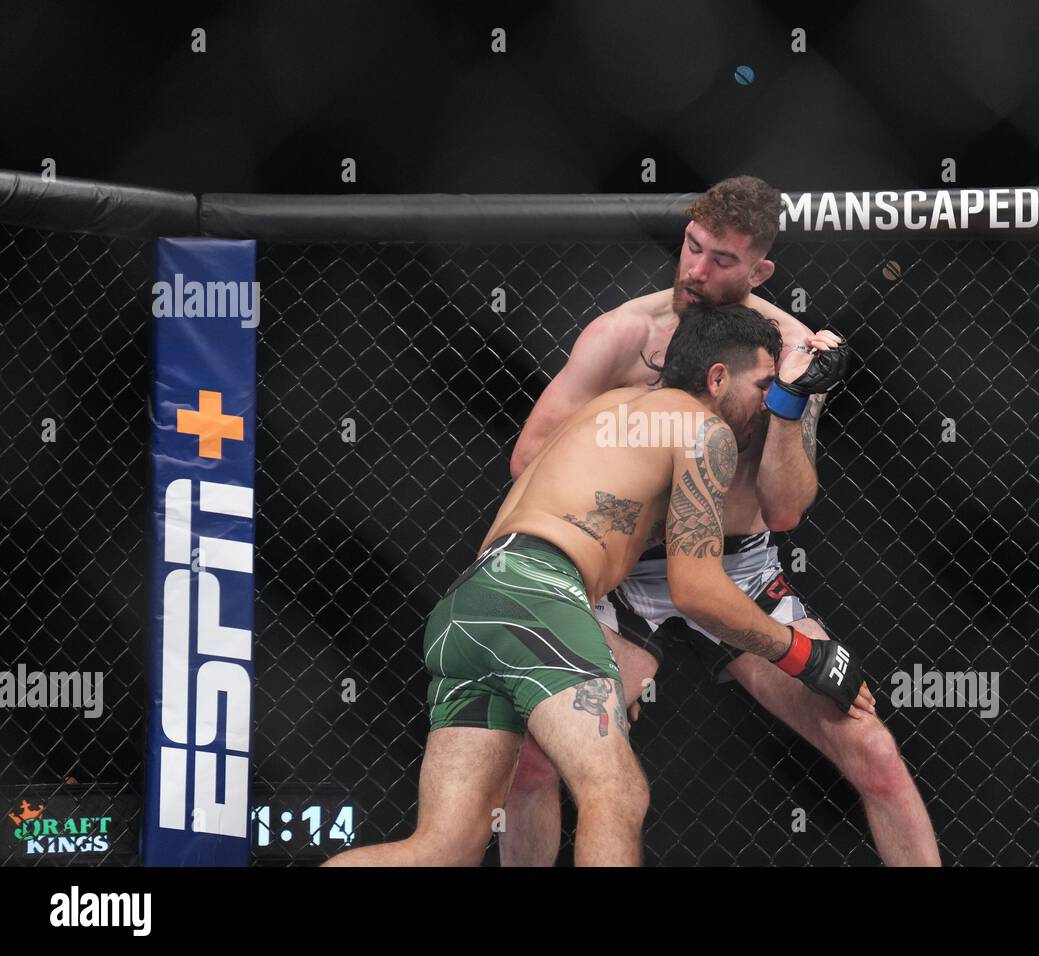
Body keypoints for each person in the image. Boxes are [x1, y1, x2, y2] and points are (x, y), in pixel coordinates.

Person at [323, 305, 872, 866]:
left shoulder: (607, 409)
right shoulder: (704, 430)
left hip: (472, 606)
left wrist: (593, 665)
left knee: (443, 848)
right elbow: (697, 590)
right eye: (762, 386)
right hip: (538, 596)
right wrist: (805, 655)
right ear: (716, 378)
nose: (768, 403)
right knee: (616, 793)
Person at [502, 175, 941, 867]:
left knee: (875, 753)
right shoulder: (625, 335)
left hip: (740, 569)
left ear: (759, 271)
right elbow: (529, 460)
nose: (696, 271)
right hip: (626, 571)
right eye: (692, 246)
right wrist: (639, 475)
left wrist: (787, 402)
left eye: (722, 260)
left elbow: (785, 510)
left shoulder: (790, 351)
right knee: (535, 758)